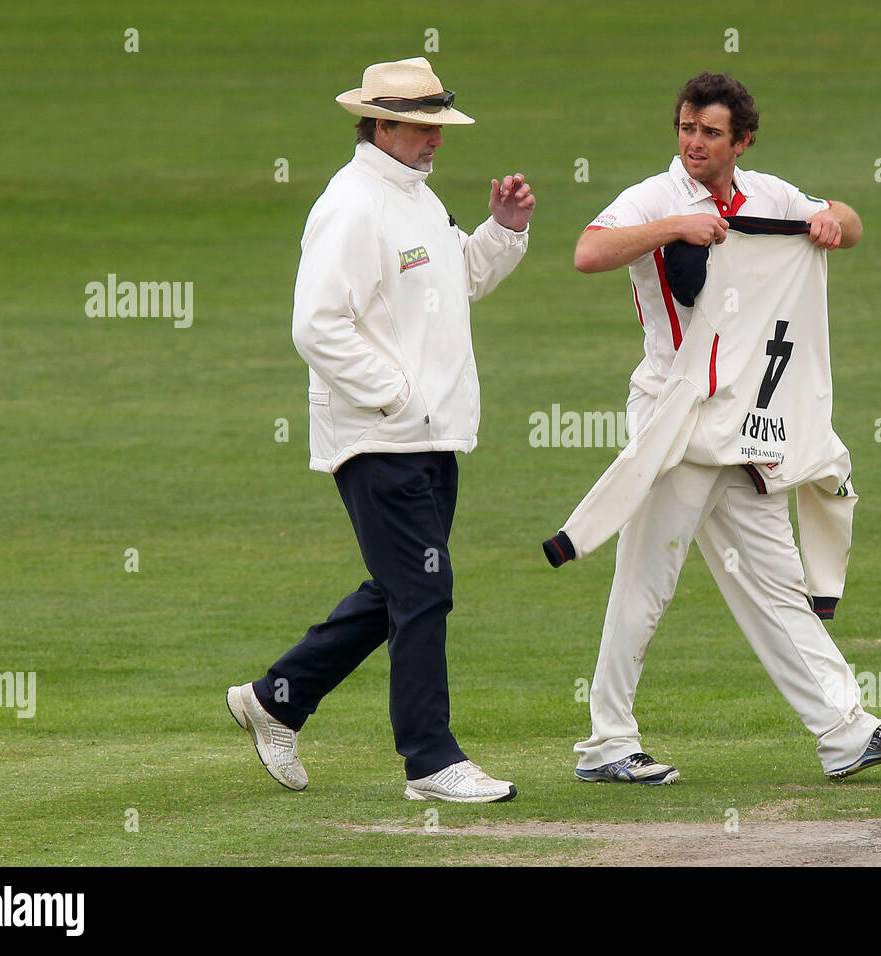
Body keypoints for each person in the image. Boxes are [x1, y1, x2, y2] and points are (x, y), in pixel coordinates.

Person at [567, 71, 881, 783]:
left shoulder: (771, 195)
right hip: (676, 415)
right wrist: (676, 227)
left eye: (709, 132)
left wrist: (832, 223)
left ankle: (844, 731)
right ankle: (607, 744)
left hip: (748, 424)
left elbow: (848, 223)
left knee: (774, 580)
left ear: (742, 140)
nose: (694, 142)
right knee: (646, 582)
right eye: (685, 128)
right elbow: (588, 252)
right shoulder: (656, 197)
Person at [226, 56, 535, 803]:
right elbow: (316, 325)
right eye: (421, 127)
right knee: (426, 591)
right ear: (381, 124)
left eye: (438, 126)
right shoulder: (352, 205)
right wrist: (395, 396)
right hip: (381, 436)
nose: (434, 140)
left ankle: (277, 697)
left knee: (400, 588)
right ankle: (431, 761)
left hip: (430, 435)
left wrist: (503, 231)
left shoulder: (417, 200)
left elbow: (454, 282)